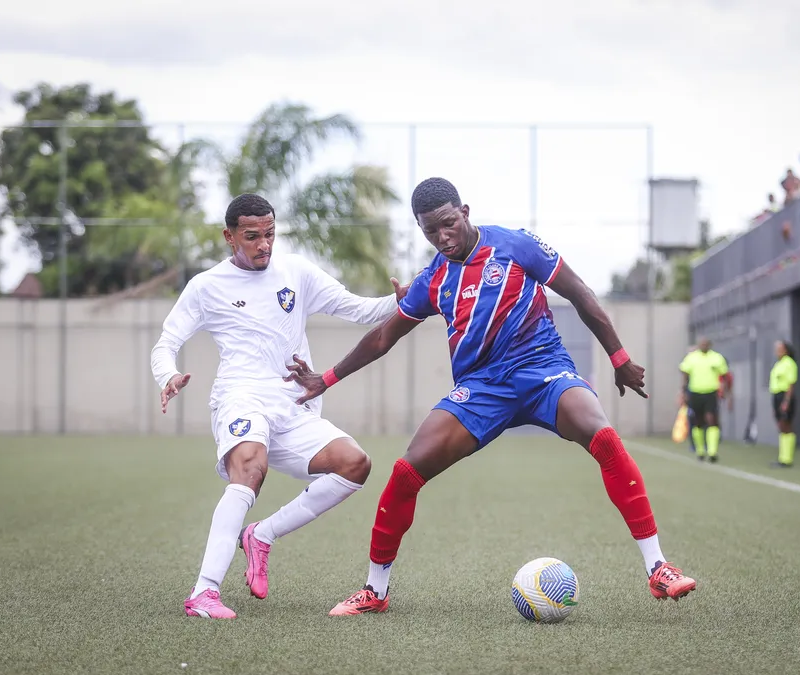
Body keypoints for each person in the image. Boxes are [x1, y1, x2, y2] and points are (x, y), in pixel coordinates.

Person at [286, 177, 697, 615]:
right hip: (481, 389)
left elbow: (580, 293)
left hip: (543, 370)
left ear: (464, 211)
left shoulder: (516, 245)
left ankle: (658, 568)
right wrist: (325, 378)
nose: (443, 237)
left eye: (448, 224)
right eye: (430, 231)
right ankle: (375, 591)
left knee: (604, 436)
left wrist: (618, 357)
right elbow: (383, 338)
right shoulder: (434, 278)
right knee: (406, 471)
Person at [150, 193, 408, 619]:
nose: (264, 245)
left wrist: (401, 299)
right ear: (229, 236)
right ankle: (204, 591)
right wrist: (168, 375)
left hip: (294, 402)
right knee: (251, 468)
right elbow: (167, 342)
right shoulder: (206, 286)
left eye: (269, 234)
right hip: (241, 395)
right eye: (252, 237)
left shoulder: (297, 271)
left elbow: (359, 310)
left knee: (355, 463)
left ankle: (262, 535)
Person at [678, 338, 729, 462]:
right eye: (701, 344)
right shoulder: (691, 358)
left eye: (706, 344)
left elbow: (724, 375)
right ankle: (700, 450)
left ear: (710, 345)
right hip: (695, 393)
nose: (704, 345)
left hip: (711, 393)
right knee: (698, 421)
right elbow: (685, 375)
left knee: (712, 420)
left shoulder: (717, 358)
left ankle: (712, 452)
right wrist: (683, 392)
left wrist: (724, 390)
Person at [768, 341, 798, 468]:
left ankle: (787, 459)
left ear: (785, 350)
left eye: (779, 349)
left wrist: (786, 401)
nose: (776, 351)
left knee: (786, 426)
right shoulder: (778, 364)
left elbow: (791, 385)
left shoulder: (789, 363)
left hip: (785, 396)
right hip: (776, 396)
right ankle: (782, 457)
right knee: (781, 426)